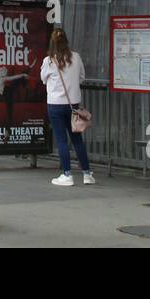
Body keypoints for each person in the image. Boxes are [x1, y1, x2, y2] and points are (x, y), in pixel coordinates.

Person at [40, 28, 94, 186]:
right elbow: (82, 77)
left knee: (61, 140)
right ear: (66, 41)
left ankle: (67, 175)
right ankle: (87, 174)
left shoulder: (49, 61)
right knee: (77, 139)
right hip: (73, 105)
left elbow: (43, 79)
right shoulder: (76, 57)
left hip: (55, 105)